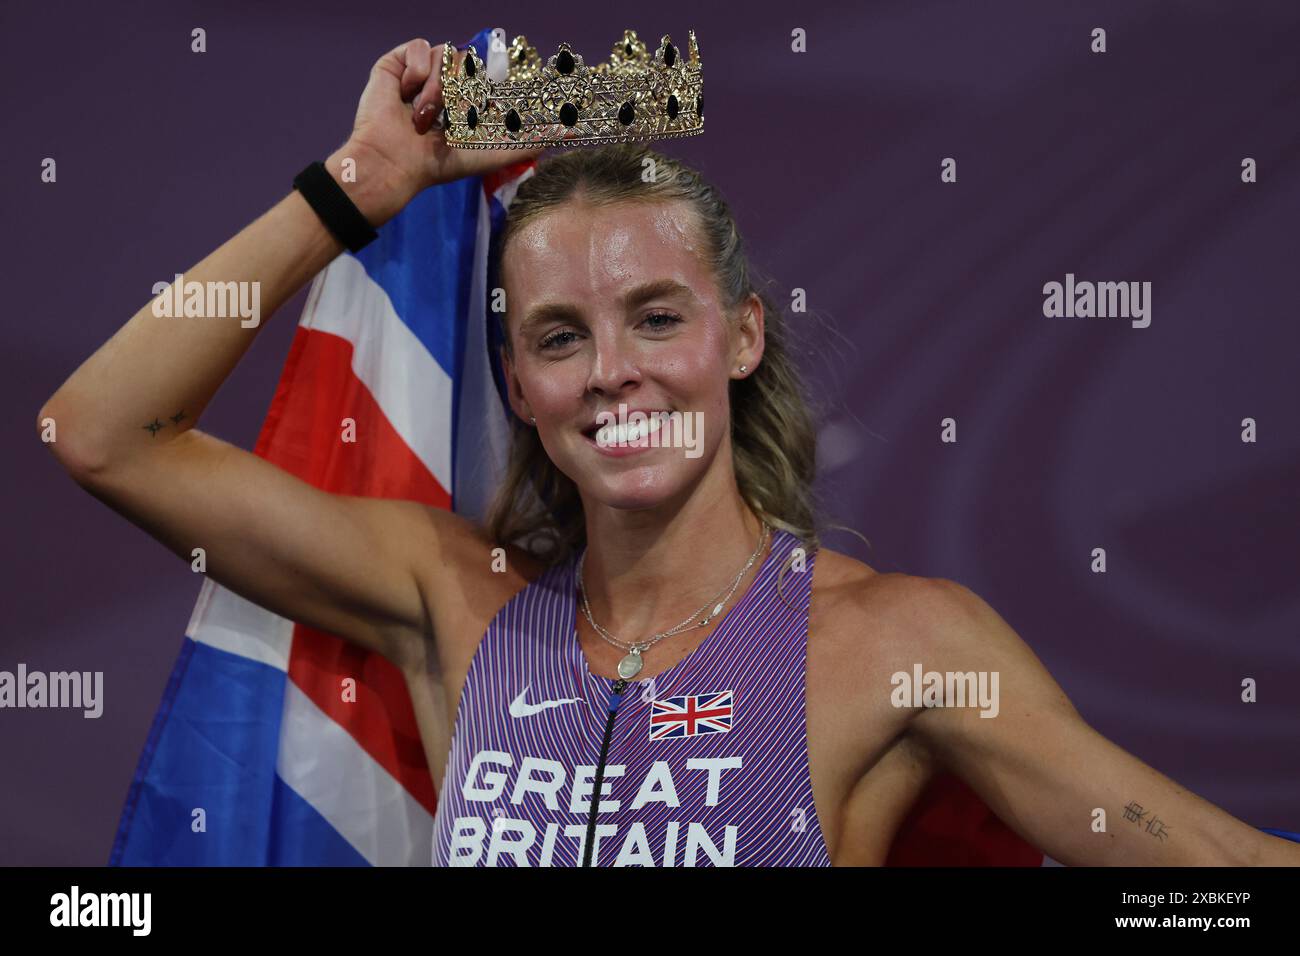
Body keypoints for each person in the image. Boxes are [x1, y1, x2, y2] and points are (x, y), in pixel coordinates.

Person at [38, 38, 1298, 867]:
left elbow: (1214, 872)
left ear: (739, 335)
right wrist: (361, 183)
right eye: (558, 336)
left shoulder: (901, 645)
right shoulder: (446, 602)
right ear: (520, 383)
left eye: (656, 317)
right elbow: (101, 432)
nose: (613, 372)